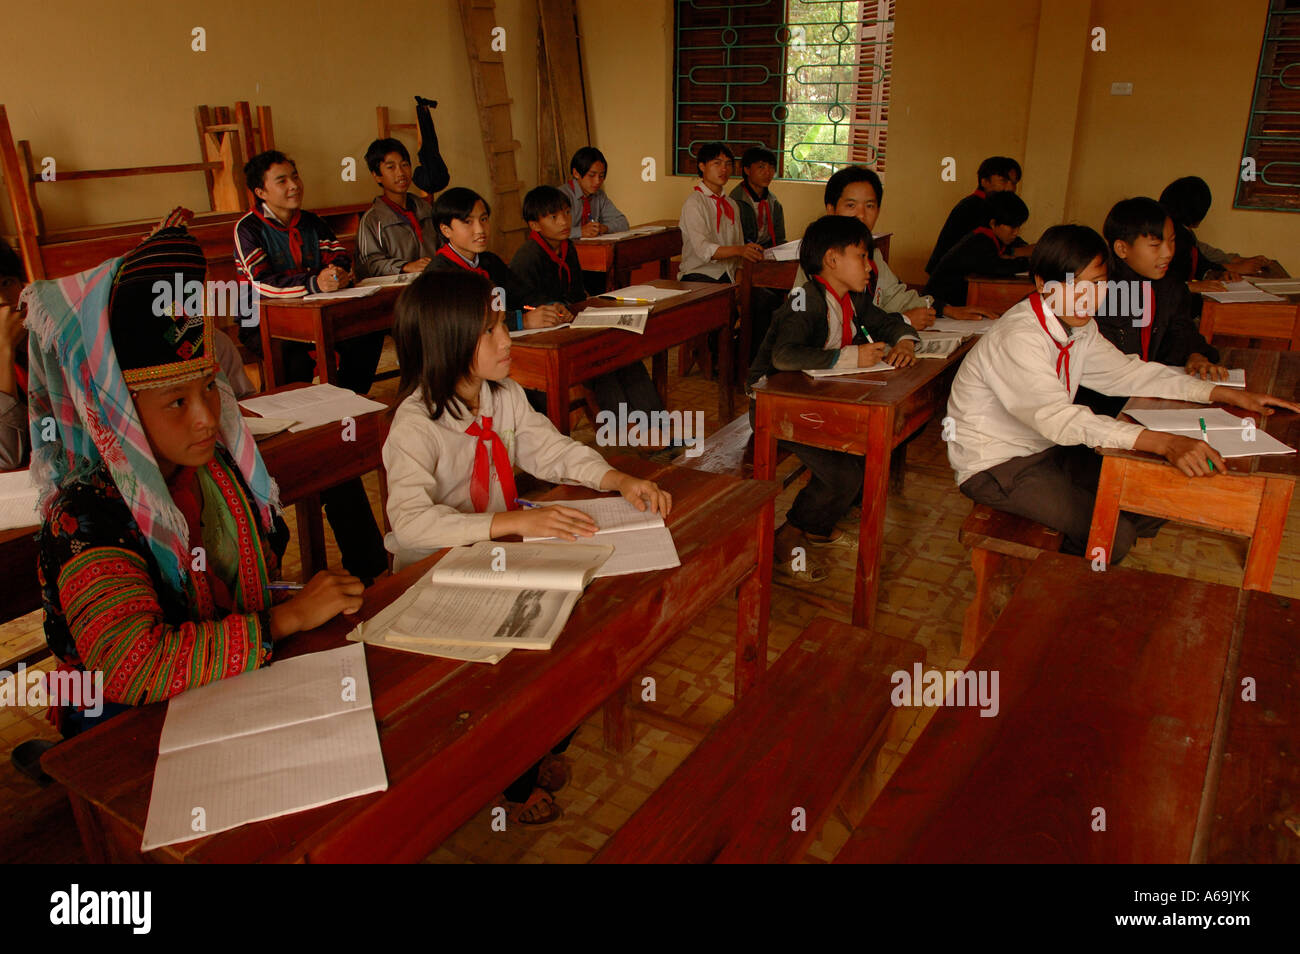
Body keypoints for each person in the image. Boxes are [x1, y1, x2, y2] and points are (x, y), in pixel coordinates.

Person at [25, 220, 365, 741]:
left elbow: (262, 565)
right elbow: (130, 667)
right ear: (121, 414)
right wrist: (285, 619)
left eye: (209, 388)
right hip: (129, 717)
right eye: (177, 402)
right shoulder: (87, 514)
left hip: (226, 682)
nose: (208, 417)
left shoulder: (215, 471)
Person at [382, 268, 672, 824]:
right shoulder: (415, 424)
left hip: (499, 559)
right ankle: (512, 782)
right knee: (502, 685)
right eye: (490, 331)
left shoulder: (504, 397)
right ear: (449, 342)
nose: (507, 338)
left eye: (501, 325)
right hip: (435, 579)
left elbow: (553, 451)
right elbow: (412, 524)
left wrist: (617, 481)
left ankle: (542, 746)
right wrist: (510, 525)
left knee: (571, 640)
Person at [946, 224, 1299, 563]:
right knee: (1113, 537)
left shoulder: (1077, 327)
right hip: (997, 465)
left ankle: (1066, 547)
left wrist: (1220, 393)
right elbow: (1057, 419)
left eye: (1098, 284)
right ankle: (1044, 590)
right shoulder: (1019, 336)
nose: (1087, 297)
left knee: (1155, 493)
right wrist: (1163, 442)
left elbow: (1129, 373)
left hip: (1047, 450)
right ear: (1042, 283)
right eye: (1073, 285)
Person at [233, 151, 390, 583]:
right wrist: (311, 283)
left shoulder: (313, 221)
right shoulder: (249, 229)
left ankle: (347, 396)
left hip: (318, 311)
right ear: (261, 191)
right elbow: (260, 281)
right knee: (305, 416)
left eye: (295, 175)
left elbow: (338, 256)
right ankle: (322, 400)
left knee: (369, 327)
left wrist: (336, 274)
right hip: (270, 327)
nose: (294, 185)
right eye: (282, 180)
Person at [747, 215, 918, 584]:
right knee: (843, 476)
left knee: (857, 457)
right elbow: (784, 357)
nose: (871, 267)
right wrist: (851, 357)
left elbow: (887, 320)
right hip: (773, 405)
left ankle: (814, 528)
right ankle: (786, 538)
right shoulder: (802, 300)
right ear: (832, 259)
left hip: (815, 400)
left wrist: (904, 339)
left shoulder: (853, 298)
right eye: (862, 256)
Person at [510, 185, 665, 422]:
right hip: (546, 336)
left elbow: (575, 293)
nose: (564, 221)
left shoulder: (567, 247)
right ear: (535, 225)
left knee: (623, 353)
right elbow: (522, 303)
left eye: (566, 212)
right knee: (600, 365)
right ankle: (629, 426)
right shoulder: (527, 257)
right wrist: (555, 309)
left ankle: (656, 420)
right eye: (554, 216)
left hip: (572, 323)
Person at [1077, 197, 1224, 417]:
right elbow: (1107, 369)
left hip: (1151, 397)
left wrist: (1195, 355)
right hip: (1098, 406)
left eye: (1172, 241)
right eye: (1155, 245)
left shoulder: (1170, 286)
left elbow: (1182, 331)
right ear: (1122, 248)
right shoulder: (1098, 291)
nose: (1167, 253)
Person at [426, 187, 569, 332]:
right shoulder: (438, 275)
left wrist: (550, 307)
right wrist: (522, 321)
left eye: (483, 219)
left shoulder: (490, 261)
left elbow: (521, 295)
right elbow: (465, 321)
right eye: (468, 222)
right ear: (446, 230)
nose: (480, 230)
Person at [923, 191, 1030, 307]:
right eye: (1012, 227)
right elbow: (997, 267)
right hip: (936, 304)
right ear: (993, 223)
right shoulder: (980, 241)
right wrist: (1029, 264)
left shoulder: (991, 237)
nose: (1016, 232)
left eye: (1019, 227)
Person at [677, 142, 763, 283]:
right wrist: (739, 250)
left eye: (728, 164)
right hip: (699, 273)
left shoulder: (731, 204)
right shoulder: (694, 203)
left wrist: (740, 275)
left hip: (729, 274)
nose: (724, 169)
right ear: (702, 166)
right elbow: (704, 249)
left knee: (763, 296)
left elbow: (739, 245)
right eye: (717, 163)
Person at [1159, 175, 1270, 281]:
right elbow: (1197, 266)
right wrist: (1235, 267)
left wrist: (1237, 260)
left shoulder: (1183, 232)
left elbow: (1201, 252)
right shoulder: (1179, 235)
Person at [356, 138, 439, 278]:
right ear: (377, 176)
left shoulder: (427, 210)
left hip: (433, 283)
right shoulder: (372, 220)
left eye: (405, 165)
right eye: (391, 167)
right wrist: (405, 267)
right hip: (398, 293)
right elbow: (368, 265)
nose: (401, 173)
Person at [925, 156, 1023, 274]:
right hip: (952, 279)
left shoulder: (988, 205)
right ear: (984, 181)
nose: (1010, 188)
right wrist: (1019, 253)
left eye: (1014, 183)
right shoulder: (974, 207)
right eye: (1004, 181)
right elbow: (991, 253)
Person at [0, 239, 29, 470]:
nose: (2, 300)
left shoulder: (48, 333)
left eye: (6, 283)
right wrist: (4, 348)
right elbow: (8, 455)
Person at [562, 146, 629, 239]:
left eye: (601, 176)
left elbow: (623, 222)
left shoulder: (599, 195)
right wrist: (580, 231)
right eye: (592, 175)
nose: (597, 181)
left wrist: (605, 228)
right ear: (576, 173)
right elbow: (550, 232)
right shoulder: (560, 195)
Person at [729, 146, 785, 249]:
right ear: (747, 170)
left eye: (771, 167)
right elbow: (731, 240)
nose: (767, 173)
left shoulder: (774, 202)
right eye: (761, 167)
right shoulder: (735, 201)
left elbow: (779, 239)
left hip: (768, 253)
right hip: (742, 254)